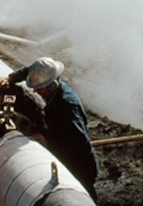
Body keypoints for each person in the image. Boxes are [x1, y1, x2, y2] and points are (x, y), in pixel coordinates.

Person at [7, 57, 98, 199]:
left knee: (79, 196)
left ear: (51, 85)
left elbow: (79, 143)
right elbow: (30, 70)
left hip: (78, 165)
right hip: (66, 156)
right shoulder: (53, 84)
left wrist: (47, 141)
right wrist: (10, 78)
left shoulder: (67, 106)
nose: (35, 92)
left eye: (39, 88)